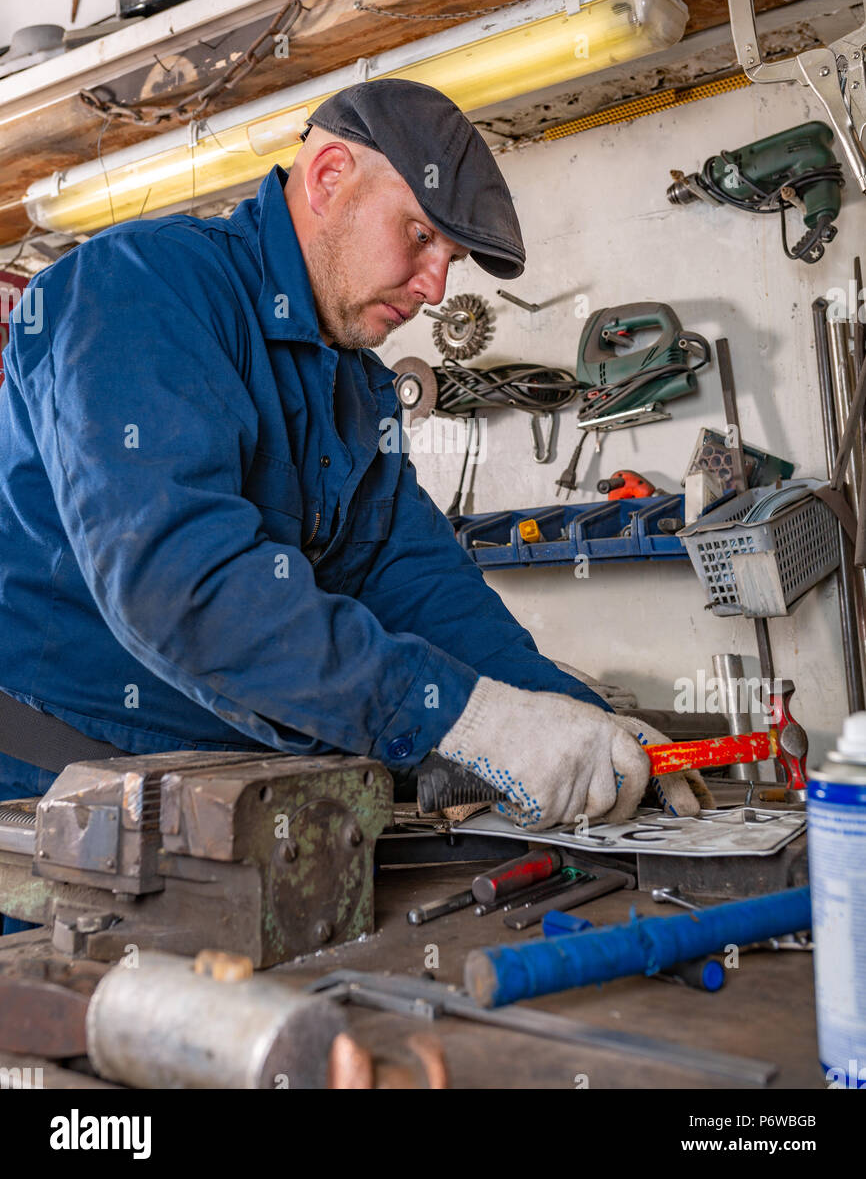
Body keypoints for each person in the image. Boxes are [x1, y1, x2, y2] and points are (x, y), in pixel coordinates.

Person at [0, 78, 702, 831]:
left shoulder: (354, 387)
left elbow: (418, 579)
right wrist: (464, 719)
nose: (434, 288)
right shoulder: (140, 292)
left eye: (451, 259)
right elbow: (185, 588)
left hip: (223, 791)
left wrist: (573, 719)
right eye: (421, 236)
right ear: (331, 176)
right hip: (47, 792)